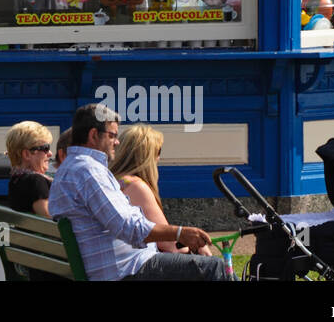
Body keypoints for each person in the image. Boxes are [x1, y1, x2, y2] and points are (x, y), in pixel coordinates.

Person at [47, 104, 229, 280]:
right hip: (124, 271)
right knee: (213, 267)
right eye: (112, 136)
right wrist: (180, 233)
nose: (117, 142)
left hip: (112, 268)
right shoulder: (89, 171)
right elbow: (127, 227)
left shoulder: (68, 169)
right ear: (94, 135)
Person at [109, 124, 214, 257]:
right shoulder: (136, 187)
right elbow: (170, 245)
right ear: (148, 156)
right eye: (159, 152)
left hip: (118, 260)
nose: (159, 158)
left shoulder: (115, 182)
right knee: (214, 266)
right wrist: (197, 247)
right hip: (137, 266)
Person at [5, 120, 54, 216]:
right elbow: (48, 218)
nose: (50, 153)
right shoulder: (36, 181)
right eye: (45, 148)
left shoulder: (16, 179)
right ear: (26, 154)